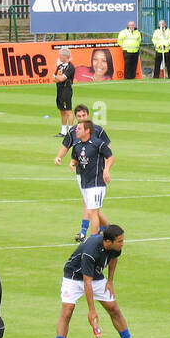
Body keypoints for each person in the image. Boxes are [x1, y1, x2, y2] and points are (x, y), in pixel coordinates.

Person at [54, 224, 147, 338]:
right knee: (67, 311)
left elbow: (114, 258)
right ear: (108, 241)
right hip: (73, 277)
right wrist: (92, 310)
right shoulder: (91, 251)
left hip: (96, 276)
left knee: (114, 308)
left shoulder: (115, 247)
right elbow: (87, 282)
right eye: (120, 241)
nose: (123, 243)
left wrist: (110, 281)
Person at [54, 104, 111, 240]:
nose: (81, 119)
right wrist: (62, 158)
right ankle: (108, 229)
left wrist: (106, 170)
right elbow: (67, 147)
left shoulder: (97, 130)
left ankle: (86, 233)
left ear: (88, 115)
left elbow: (108, 152)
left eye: (83, 115)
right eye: (78, 116)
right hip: (81, 174)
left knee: (91, 207)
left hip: (96, 175)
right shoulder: (74, 131)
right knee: (91, 206)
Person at [71, 119, 114, 240]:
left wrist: (106, 170)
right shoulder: (77, 145)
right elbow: (75, 158)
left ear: (87, 130)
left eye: (79, 129)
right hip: (85, 183)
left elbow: (110, 157)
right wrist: (72, 163)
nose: (76, 130)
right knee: (95, 212)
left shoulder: (98, 143)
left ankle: (93, 239)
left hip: (96, 183)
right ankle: (111, 232)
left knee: (92, 213)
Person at [52, 46, 75, 135]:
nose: (59, 57)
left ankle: (71, 131)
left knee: (68, 110)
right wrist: (58, 78)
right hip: (59, 89)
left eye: (61, 56)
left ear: (66, 56)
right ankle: (63, 131)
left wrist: (58, 78)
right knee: (62, 110)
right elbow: (54, 78)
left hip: (66, 90)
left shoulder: (70, 67)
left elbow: (61, 79)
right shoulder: (60, 66)